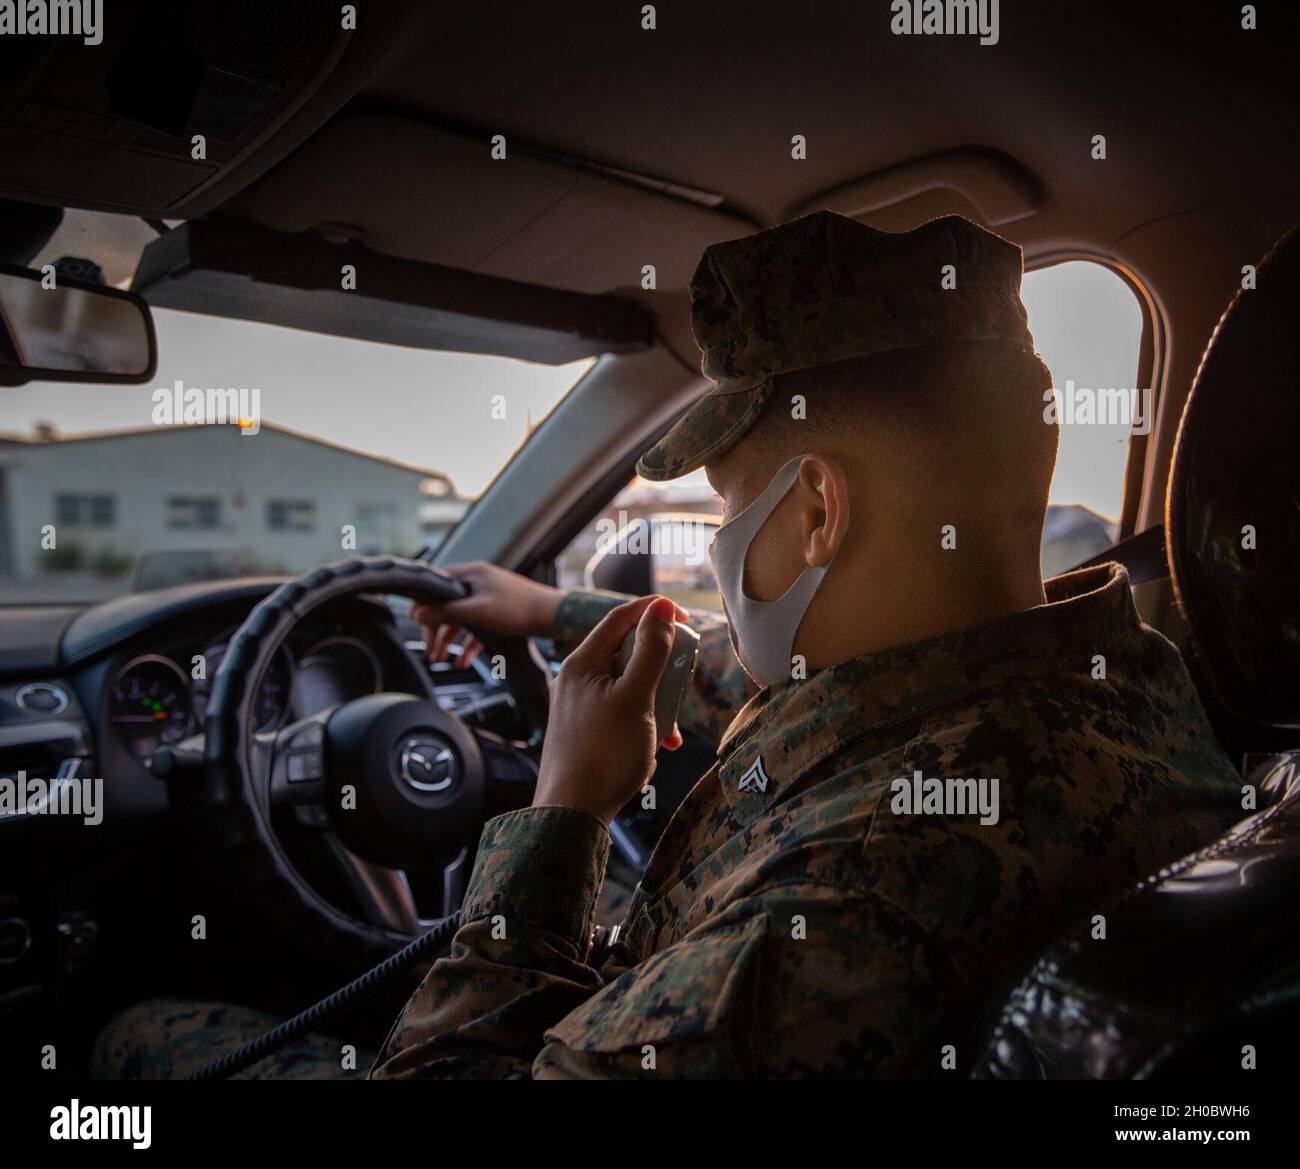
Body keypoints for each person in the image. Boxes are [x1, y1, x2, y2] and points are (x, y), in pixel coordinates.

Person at [94, 212, 1242, 1080]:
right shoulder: (1129, 683)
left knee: (139, 1033)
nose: (718, 540)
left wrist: (561, 816)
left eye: (725, 504)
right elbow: (783, 685)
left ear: (816, 513)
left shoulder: (832, 923)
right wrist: (548, 612)